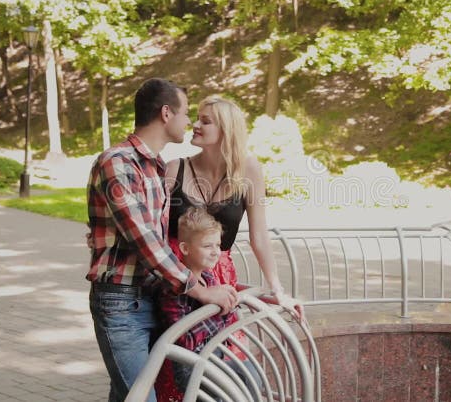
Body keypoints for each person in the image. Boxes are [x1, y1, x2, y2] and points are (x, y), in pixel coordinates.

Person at [85, 78, 239, 402]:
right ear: (166, 114)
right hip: (121, 302)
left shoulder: (154, 168)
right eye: (186, 113)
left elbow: (156, 235)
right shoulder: (119, 162)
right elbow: (147, 243)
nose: (189, 122)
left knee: (127, 393)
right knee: (140, 396)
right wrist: (200, 290)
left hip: (154, 295)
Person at [164, 95, 303, 317]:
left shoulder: (248, 170)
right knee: (174, 347)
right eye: (197, 119)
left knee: (221, 347)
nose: (195, 125)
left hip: (220, 279)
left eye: (205, 121)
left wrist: (278, 291)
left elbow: (259, 236)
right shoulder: (174, 169)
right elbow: (152, 232)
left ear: (226, 130)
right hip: (175, 277)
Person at [155, 207, 261, 401]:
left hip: (215, 357)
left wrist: (225, 306)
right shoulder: (173, 289)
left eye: (218, 245)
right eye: (207, 246)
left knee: (252, 376)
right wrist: (219, 313)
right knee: (233, 387)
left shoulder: (208, 278)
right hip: (192, 366)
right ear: (185, 248)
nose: (215, 253)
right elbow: (184, 340)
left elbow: (229, 315)